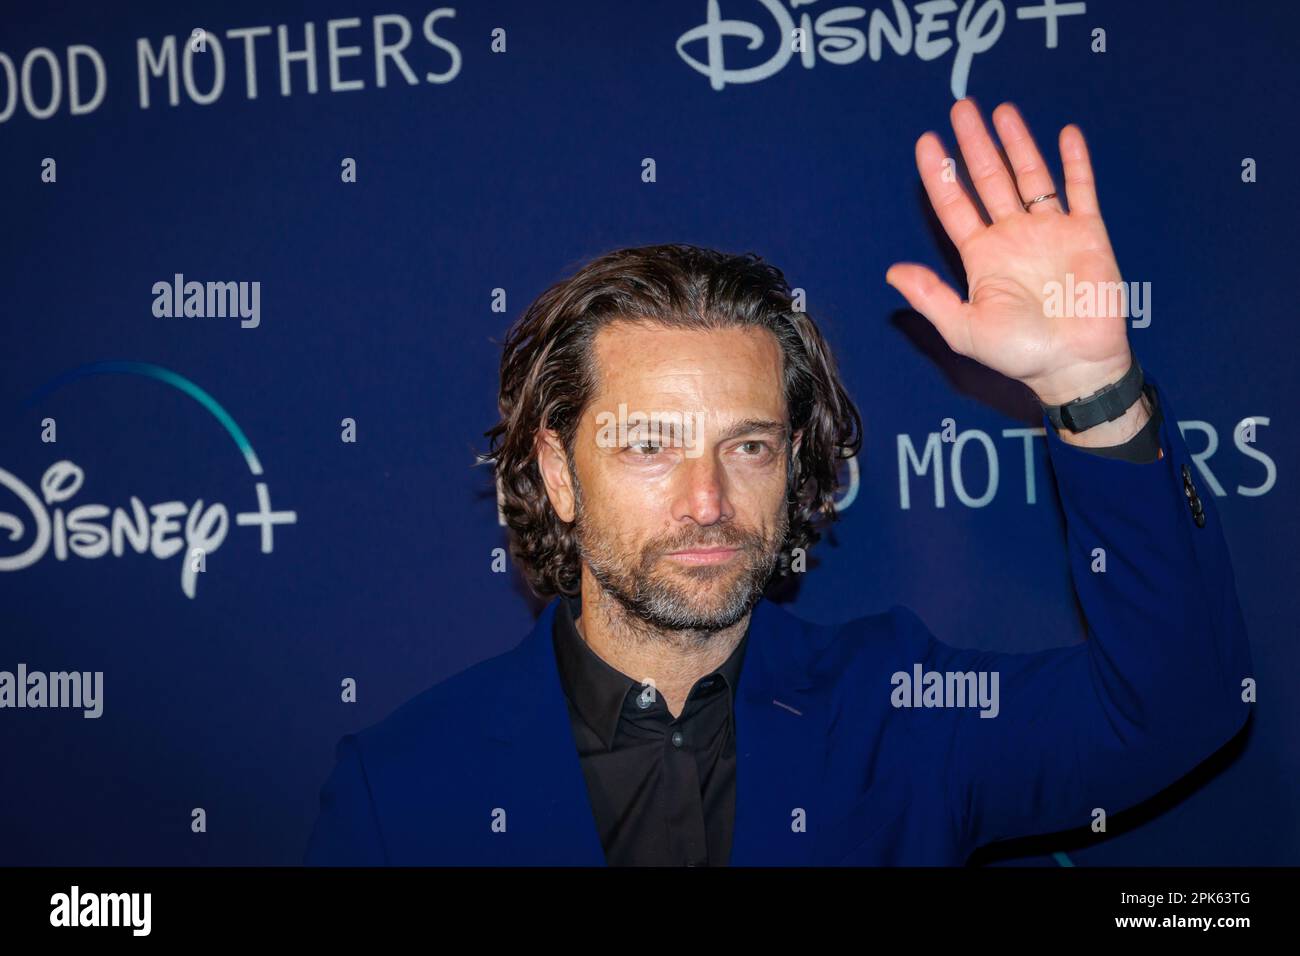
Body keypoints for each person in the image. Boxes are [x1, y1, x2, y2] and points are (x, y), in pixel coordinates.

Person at [304, 100, 1251, 866]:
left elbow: (1181, 707)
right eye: (648, 446)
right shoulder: (405, 787)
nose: (707, 500)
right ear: (557, 471)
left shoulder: (901, 719)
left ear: (795, 463)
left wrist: (1089, 386)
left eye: (748, 446)